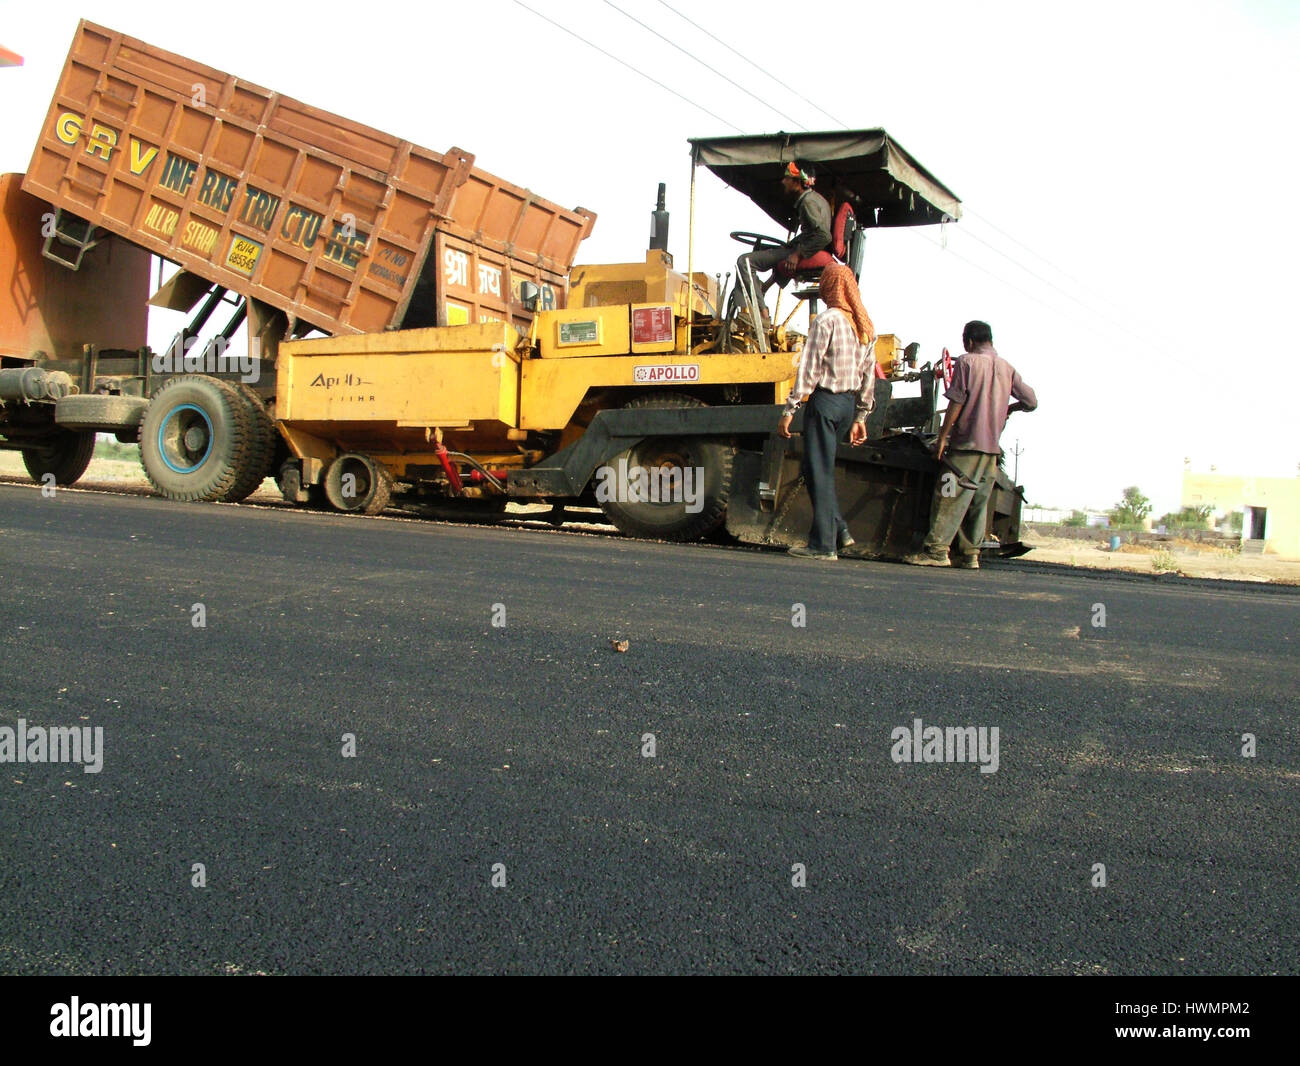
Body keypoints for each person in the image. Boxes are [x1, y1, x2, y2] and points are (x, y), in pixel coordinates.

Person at [903, 320, 1037, 569]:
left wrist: (942, 437)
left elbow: (956, 401)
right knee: (977, 502)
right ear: (991, 340)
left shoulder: (967, 361)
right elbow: (1031, 401)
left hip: (966, 446)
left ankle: (936, 552)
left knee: (948, 496)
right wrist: (1009, 408)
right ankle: (970, 555)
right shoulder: (1007, 368)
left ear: (969, 341)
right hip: (991, 452)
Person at [778, 263, 876, 560]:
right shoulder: (865, 326)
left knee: (818, 472)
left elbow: (810, 367)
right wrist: (860, 417)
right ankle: (840, 530)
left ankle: (823, 545)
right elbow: (868, 376)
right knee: (815, 469)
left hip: (825, 403)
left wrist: (790, 407)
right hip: (846, 406)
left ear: (830, 287)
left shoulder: (827, 320)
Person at [736, 162, 832, 306]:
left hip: (810, 251)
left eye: (787, 178)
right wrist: (791, 245)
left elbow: (824, 236)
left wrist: (797, 254)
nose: (783, 181)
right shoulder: (816, 199)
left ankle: (760, 312)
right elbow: (812, 233)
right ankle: (763, 289)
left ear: (797, 182)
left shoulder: (808, 203)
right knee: (777, 253)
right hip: (810, 248)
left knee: (744, 261)